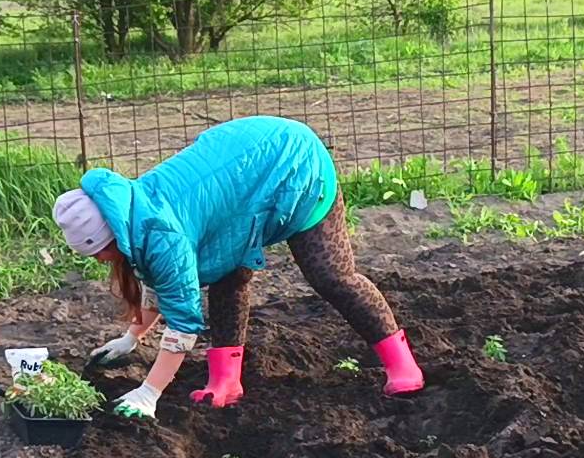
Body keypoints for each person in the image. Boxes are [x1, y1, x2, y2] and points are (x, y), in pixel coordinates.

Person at [51, 115, 424, 419]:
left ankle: (403, 366)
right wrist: (132, 337)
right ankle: (226, 380)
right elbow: (159, 280)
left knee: (331, 277)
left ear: (110, 235)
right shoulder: (132, 211)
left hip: (293, 164)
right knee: (227, 276)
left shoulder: (161, 233)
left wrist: (149, 394)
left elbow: (183, 322)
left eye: (97, 251)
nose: (98, 261)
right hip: (240, 185)